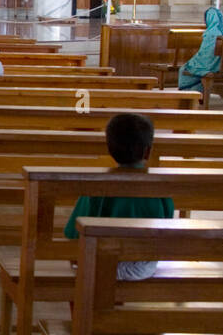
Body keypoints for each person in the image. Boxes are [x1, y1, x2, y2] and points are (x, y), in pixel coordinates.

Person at [64, 113, 174, 280]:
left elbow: (73, 232)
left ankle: (81, 305)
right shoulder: (160, 187)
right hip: (141, 266)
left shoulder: (97, 185)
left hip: (102, 259)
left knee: (79, 262)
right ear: (148, 151)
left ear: (109, 148)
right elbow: (167, 226)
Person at [178, 5, 223, 91]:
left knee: (185, 69)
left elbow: (205, 56)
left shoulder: (210, 33)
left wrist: (193, 61)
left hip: (214, 68)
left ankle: (191, 94)